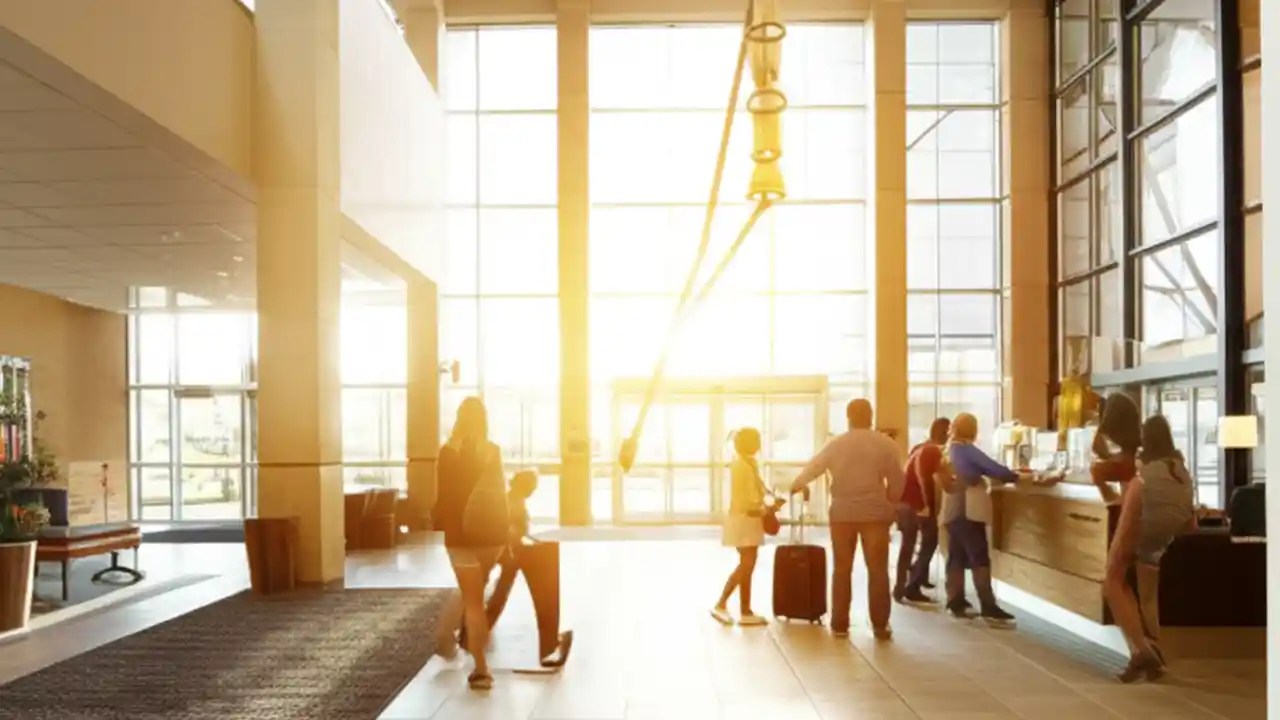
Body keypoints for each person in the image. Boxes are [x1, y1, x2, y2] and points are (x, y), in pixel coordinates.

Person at [791, 399, 904, 641]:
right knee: (878, 571)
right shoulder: (885, 444)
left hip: (842, 514)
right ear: (871, 416)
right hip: (875, 515)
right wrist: (891, 506)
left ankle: (840, 623)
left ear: (848, 417)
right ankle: (880, 625)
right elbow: (897, 481)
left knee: (842, 570)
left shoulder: (836, 444)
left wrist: (797, 484)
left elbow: (814, 467)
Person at [1105, 414, 1196, 683]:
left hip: (1142, 517)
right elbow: (1190, 522)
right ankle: (1153, 650)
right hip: (1162, 538)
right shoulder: (1181, 471)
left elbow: (1130, 498)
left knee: (1113, 579)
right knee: (1148, 595)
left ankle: (1141, 651)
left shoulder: (1145, 472)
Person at [433, 397, 507, 691]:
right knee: (474, 597)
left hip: (460, 537)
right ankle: (468, 657)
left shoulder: (447, 452)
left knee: (472, 600)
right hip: (491, 536)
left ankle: (480, 667)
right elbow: (500, 493)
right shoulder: (492, 451)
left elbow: (444, 498)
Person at [477, 469, 575, 668]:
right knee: (507, 593)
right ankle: (550, 644)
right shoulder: (513, 503)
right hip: (514, 553)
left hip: (511, 553)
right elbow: (510, 531)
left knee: (500, 594)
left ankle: (473, 634)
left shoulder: (512, 499)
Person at [938, 413, 1018, 626]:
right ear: (973, 430)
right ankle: (988, 605)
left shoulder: (948, 449)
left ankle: (955, 602)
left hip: (952, 510)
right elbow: (996, 470)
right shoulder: (966, 450)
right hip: (969, 510)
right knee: (979, 557)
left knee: (956, 556)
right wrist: (1017, 476)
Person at [713, 427, 782, 626]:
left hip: (747, 520)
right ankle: (722, 603)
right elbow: (746, 500)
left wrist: (767, 502)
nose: (759, 444)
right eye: (756, 440)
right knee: (746, 565)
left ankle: (745, 610)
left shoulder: (746, 464)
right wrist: (767, 508)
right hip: (744, 520)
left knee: (748, 565)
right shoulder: (742, 466)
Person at [894, 417, 949, 604]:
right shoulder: (932, 451)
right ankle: (912, 585)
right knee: (929, 541)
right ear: (944, 433)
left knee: (908, 546)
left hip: (904, 502)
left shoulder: (920, 447)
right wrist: (929, 507)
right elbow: (924, 479)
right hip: (915, 504)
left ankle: (903, 585)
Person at [1091, 392, 1143, 505]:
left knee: (1096, 470)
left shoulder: (1105, 469)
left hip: (1122, 508)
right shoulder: (1135, 456)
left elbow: (1097, 447)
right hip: (1132, 506)